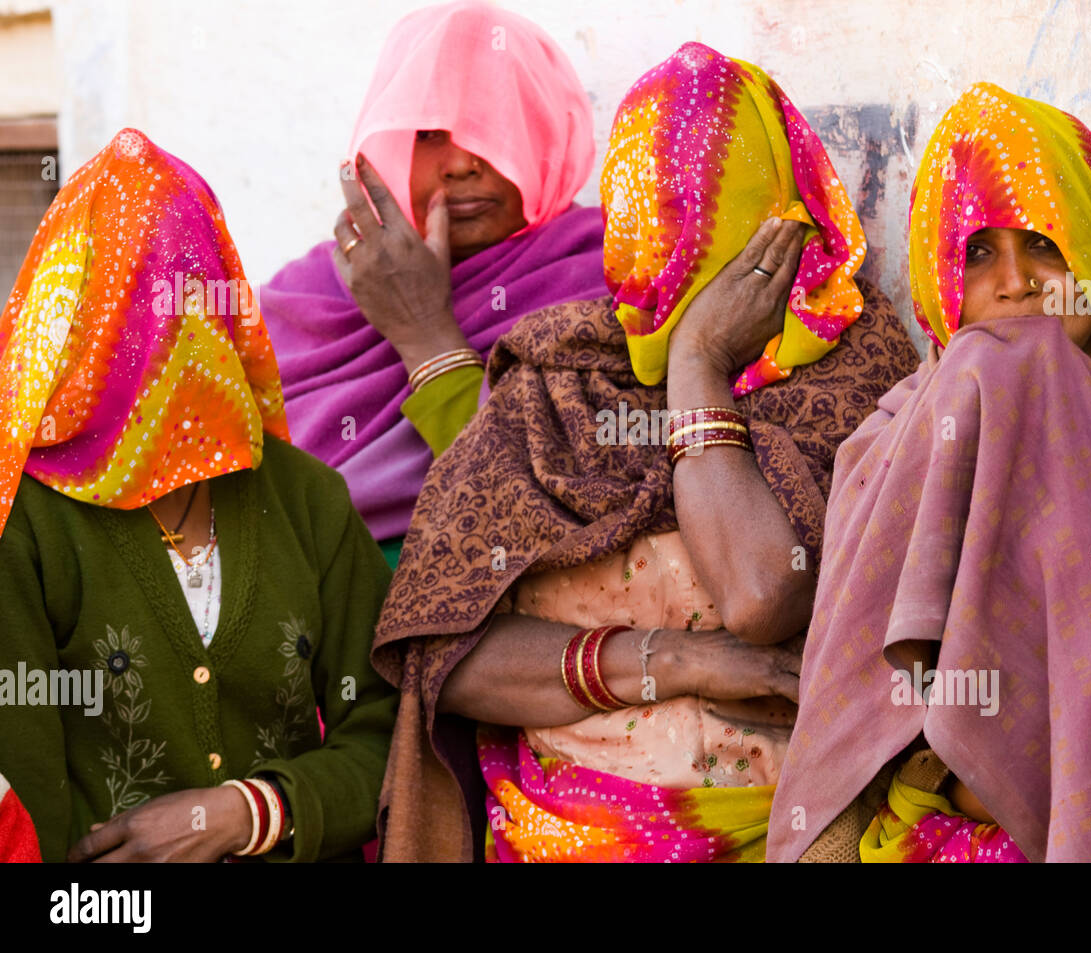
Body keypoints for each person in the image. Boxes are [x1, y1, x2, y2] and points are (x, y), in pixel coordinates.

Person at [370, 42, 919, 863]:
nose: (677, 240)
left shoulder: (863, 372)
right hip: (569, 833)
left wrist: (697, 367)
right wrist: (683, 661)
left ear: (789, 210)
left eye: (707, 206)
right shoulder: (558, 377)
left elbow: (762, 593)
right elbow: (444, 654)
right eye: (650, 210)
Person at [768, 82, 1091, 863]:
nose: (1015, 281)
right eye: (977, 253)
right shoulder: (895, 442)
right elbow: (856, 716)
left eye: (1043, 242)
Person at [0, 128, 396, 862]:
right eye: (122, 304)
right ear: (67, 320)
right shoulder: (23, 524)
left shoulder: (308, 500)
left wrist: (248, 812)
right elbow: (25, 798)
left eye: (186, 291)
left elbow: (391, 731)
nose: (161, 332)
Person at [259, 0, 606, 565]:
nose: (462, 162)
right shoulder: (309, 295)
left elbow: (556, 501)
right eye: (428, 133)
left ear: (548, 133)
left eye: (496, 126)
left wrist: (423, 333)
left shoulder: (597, 277)